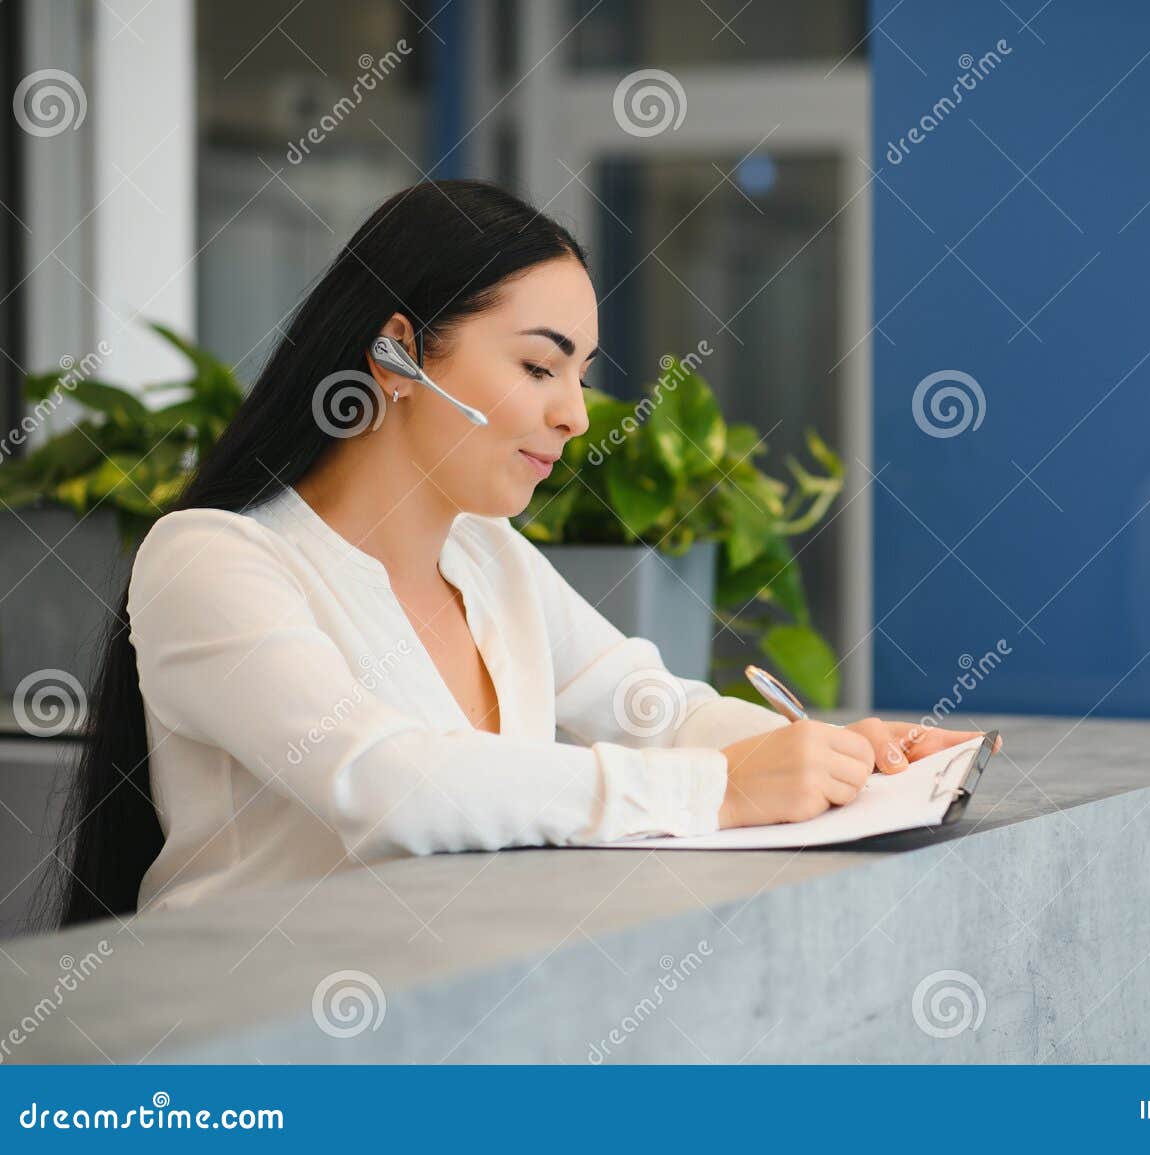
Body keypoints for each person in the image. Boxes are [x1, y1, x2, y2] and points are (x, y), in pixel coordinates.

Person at [44, 179, 979, 926]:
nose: (573, 414)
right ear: (397, 353)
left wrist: (828, 753)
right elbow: (390, 784)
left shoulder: (489, 558)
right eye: (539, 366)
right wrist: (721, 789)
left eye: (578, 373)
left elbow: (649, 708)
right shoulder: (211, 561)